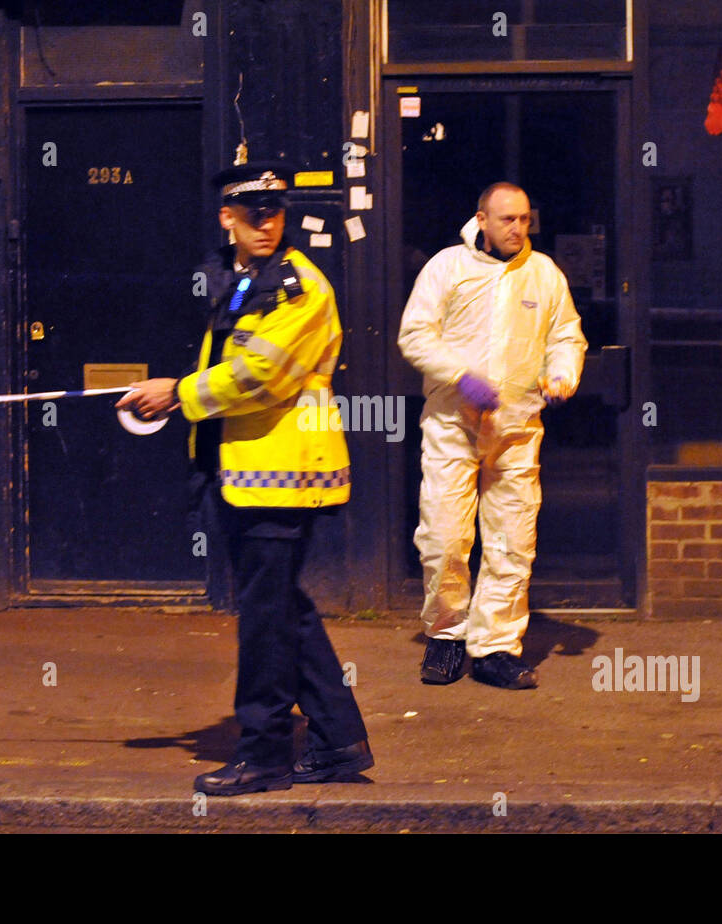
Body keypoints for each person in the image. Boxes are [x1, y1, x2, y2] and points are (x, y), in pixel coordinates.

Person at [118, 160, 372, 794]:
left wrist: (176, 393)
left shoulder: (297, 287)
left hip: (280, 472)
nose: (268, 223)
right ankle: (339, 742)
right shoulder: (246, 278)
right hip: (247, 469)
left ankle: (262, 753)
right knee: (283, 609)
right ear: (227, 217)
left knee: (265, 619)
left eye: (276, 213)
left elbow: (261, 377)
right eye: (254, 214)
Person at [397, 181, 588, 689]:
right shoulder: (447, 268)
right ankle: (445, 637)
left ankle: (496, 646)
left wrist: (563, 373)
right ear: (481, 219)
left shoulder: (543, 274)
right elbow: (415, 334)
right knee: (443, 537)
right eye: (507, 220)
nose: (518, 229)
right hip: (452, 426)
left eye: (525, 219)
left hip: (517, 428)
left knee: (511, 541)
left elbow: (566, 335)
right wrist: (461, 376)